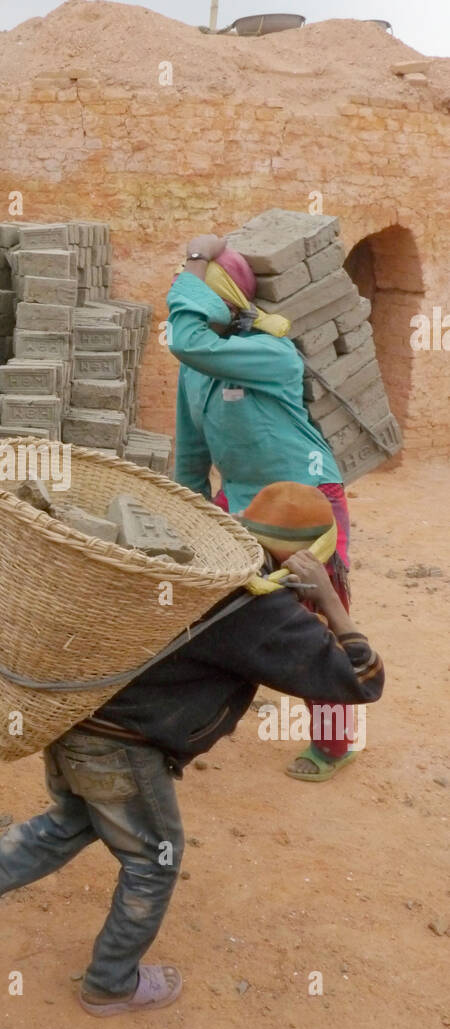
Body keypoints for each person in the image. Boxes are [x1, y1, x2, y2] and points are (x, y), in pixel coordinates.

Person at [0, 481, 384, 1016]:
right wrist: (332, 607)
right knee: (155, 860)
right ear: (308, 560)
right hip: (120, 750)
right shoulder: (262, 613)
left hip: (76, 718)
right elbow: (361, 679)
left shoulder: (201, 570)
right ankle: (110, 984)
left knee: (61, 829)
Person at [167, 234, 356, 781]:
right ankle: (193, 720)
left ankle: (334, 742)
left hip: (307, 499)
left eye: (205, 292)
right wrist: (192, 524)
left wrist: (198, 259)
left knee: (315, 616)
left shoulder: (273, 353)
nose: (195, 302)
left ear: (226, 300)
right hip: (244, 500)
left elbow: (186, 340)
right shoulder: (195, 369)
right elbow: (192, 458)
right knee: (219, 609)